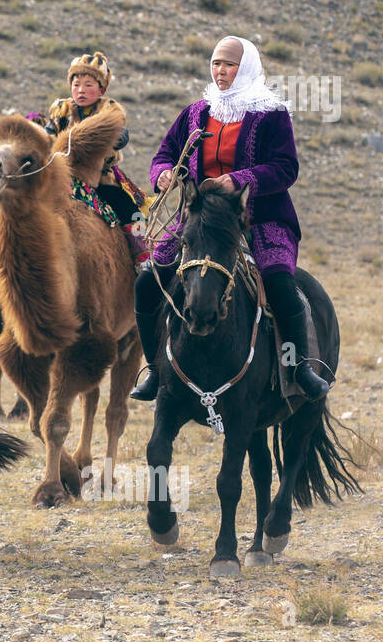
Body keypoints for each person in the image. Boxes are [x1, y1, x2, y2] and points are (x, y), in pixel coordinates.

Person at [130, 35, 330, 402]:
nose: (220, 71)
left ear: (246, 68)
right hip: (201, 218)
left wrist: (239, 179)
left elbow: (286, 168)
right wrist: (161, 174)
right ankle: (156, 370)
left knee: (280, 283)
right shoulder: (195, 112)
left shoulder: (272, 114)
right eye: (216, 63)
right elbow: (165, 153)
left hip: (261, 218)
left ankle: (300, 367)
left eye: (229, 64)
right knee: (147, 282)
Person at [46, 51, 150, 270]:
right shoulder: (61, 110)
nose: (81, 90)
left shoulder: (109, 109)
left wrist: (102, 138)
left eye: (89, 84)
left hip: (100, 176)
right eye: (76, 84)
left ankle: (142, 255)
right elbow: (47, 134)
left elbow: (121, 135)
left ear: (101, 89)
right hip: (62, 174)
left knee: (127, 207)